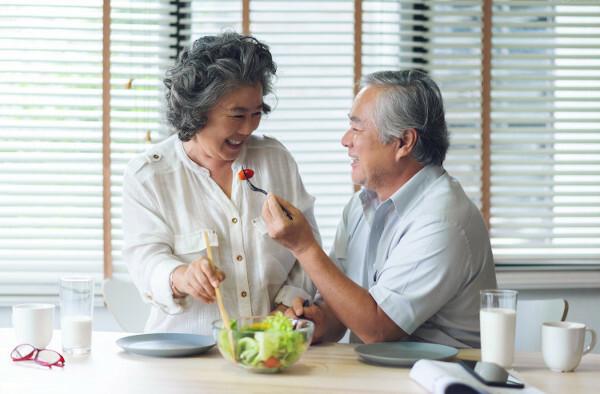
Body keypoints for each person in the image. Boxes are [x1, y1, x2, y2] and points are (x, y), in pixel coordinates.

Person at [262, 70, 497, 347]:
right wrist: (316, 322)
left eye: (357, 129)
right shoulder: (360, 206)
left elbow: (378, 329)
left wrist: (303, 247)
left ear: (403, 142)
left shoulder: (443, 221)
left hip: (440, 380)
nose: (345, 140)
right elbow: (344, 311)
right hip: (379, 375)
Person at [122, 32, 319, 334]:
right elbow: (145, 260)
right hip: (184, 359)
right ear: (198, 110)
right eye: (237, 115)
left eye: (256, 113)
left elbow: (307, 249)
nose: (249, 127)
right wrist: (181, 276)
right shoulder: (149, 176)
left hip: (268, 352)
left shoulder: (275, 160)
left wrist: (286, 304)